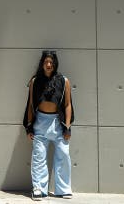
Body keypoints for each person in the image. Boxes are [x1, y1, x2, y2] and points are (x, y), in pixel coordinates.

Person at [22, 50, 74, 200]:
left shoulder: (64, 81)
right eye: (46, 62)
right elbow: (31, 104)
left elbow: (68, 104)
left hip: (58, 122)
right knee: (39, 157)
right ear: (42, 63)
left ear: (55, 63)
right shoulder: (35, 81)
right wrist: (29, 126)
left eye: (51, 62)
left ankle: (63, 189)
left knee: (63, 155)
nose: (49, 65)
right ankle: (38, 189)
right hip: (40, 122)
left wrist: (68, 126)